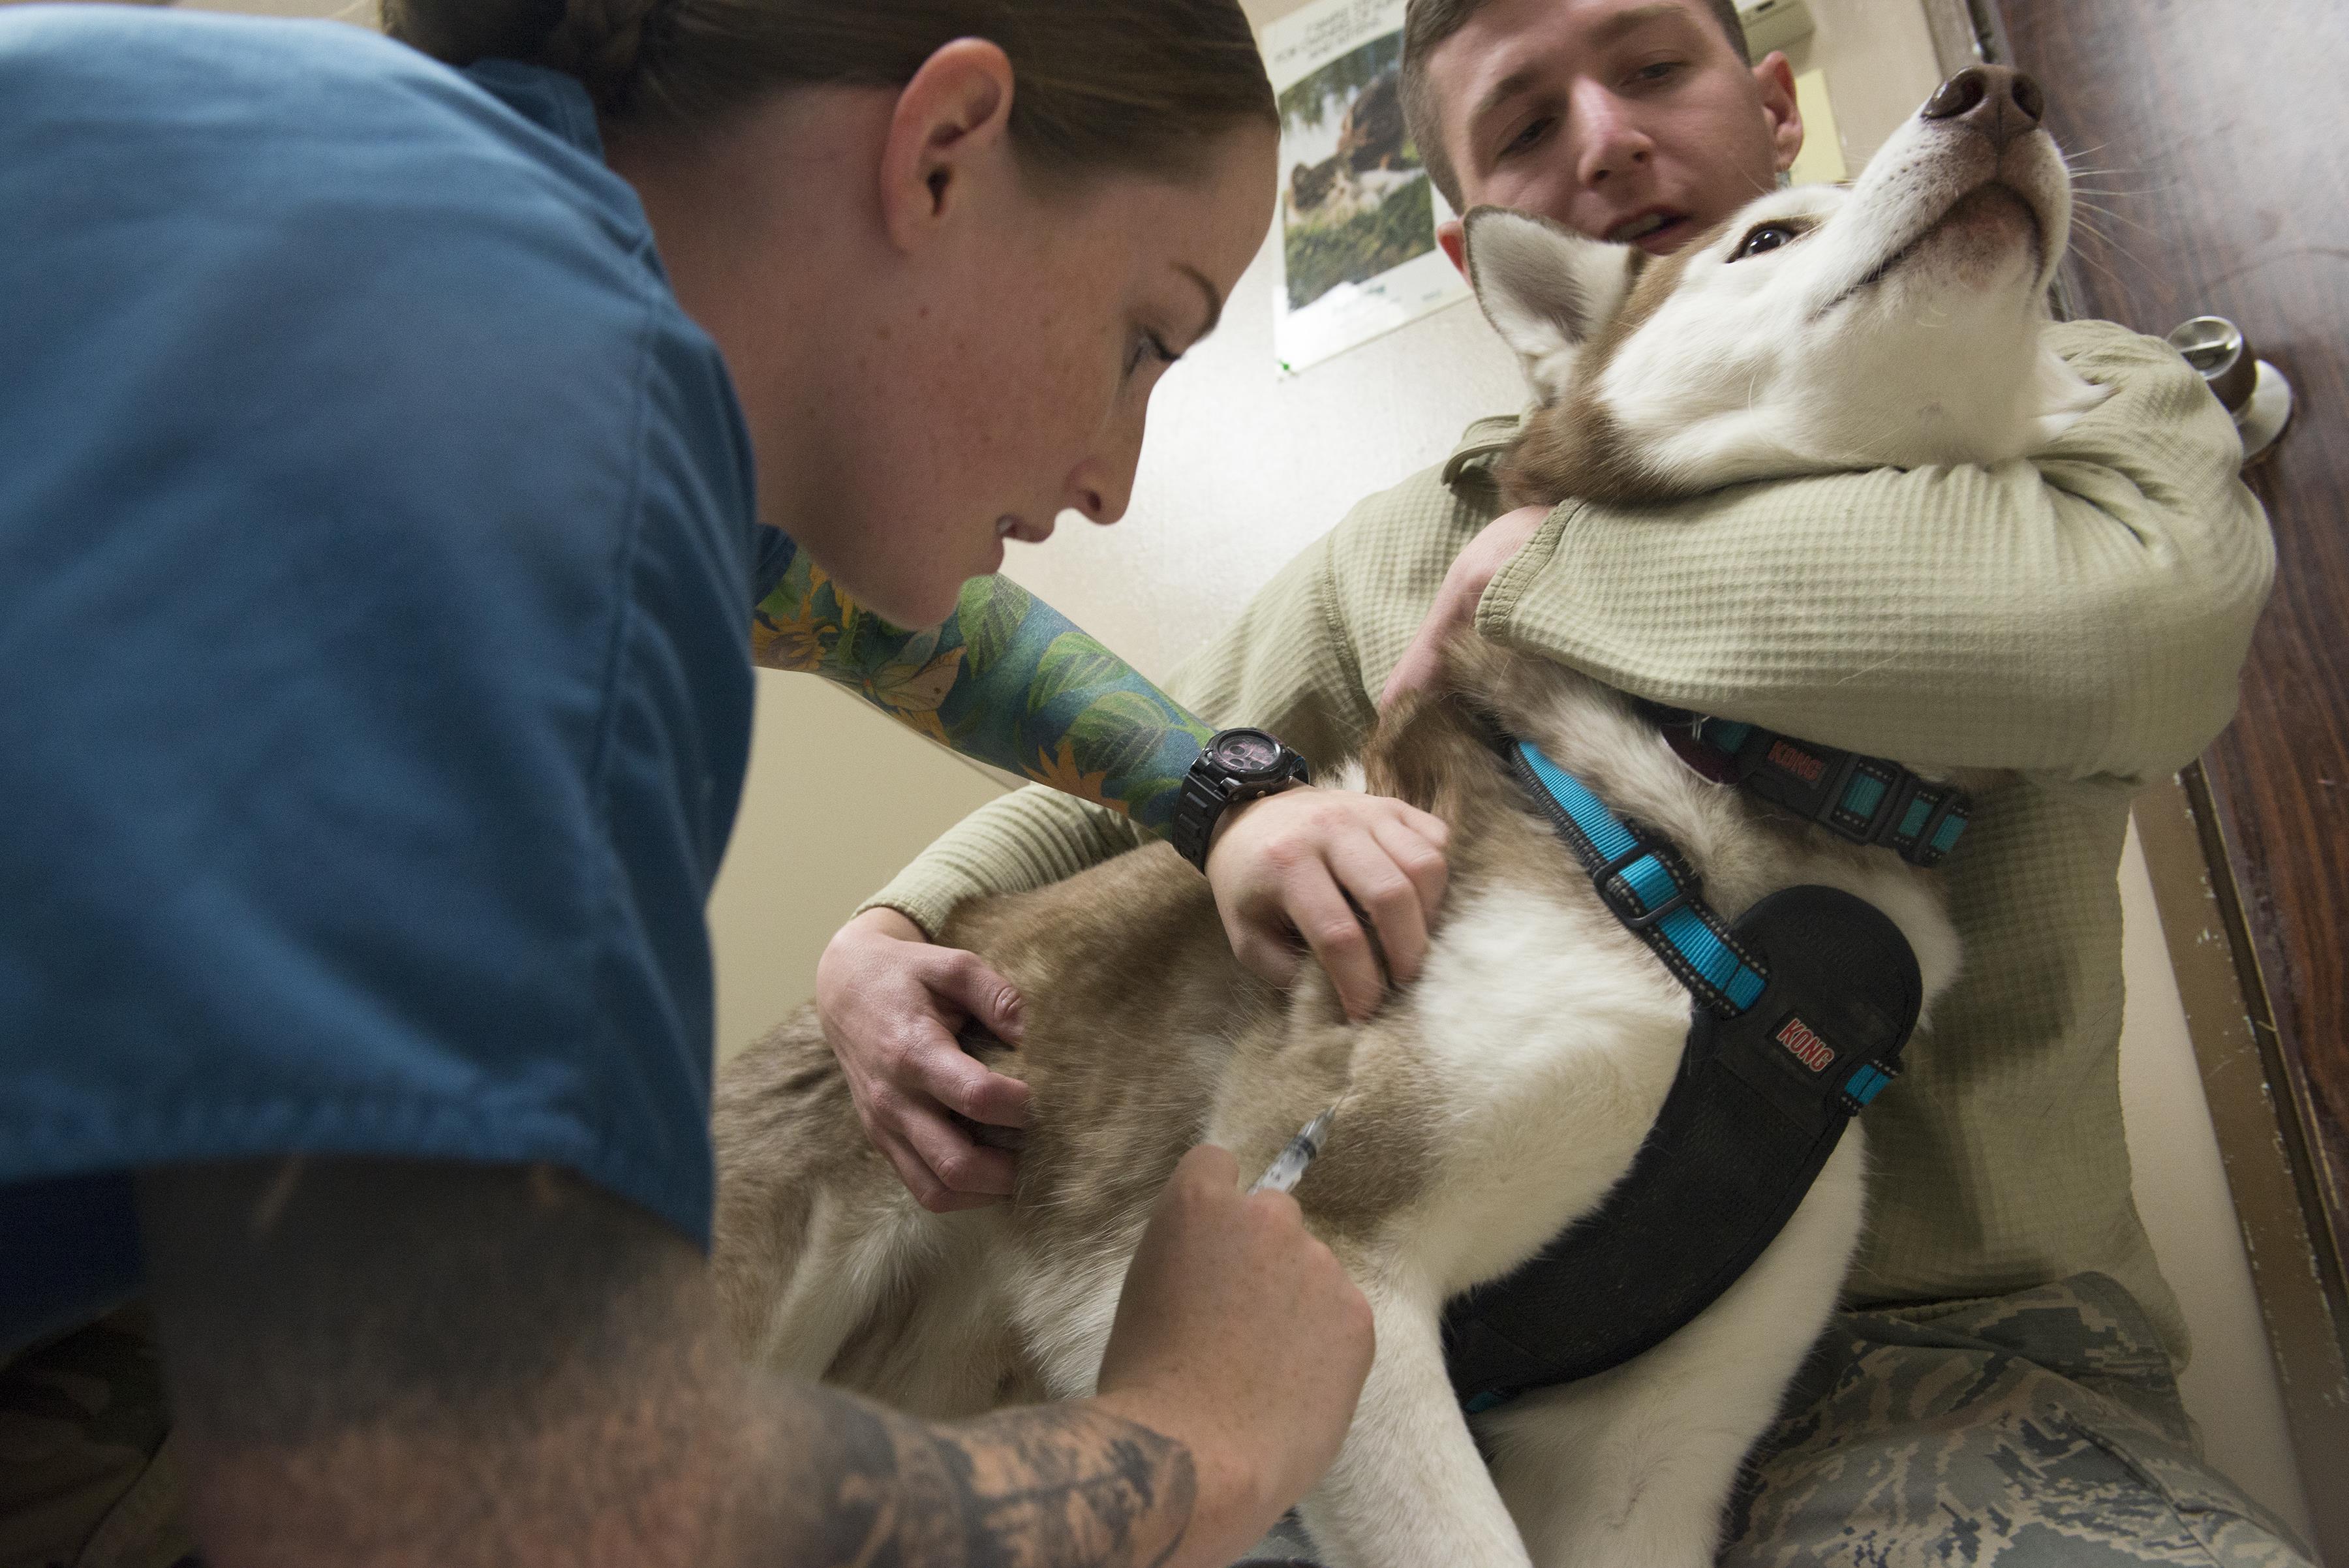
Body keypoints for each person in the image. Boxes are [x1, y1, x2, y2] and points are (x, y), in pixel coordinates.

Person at [827, 0, 2316, 1561]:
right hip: (1491, 1342)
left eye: (1654, 67)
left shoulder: (2069, 399)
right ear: (1486, 262)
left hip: (1952, 1351)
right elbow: (1146, 755)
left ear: (1775, 108)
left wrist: (1540, 575)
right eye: (1527, 125)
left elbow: (2141, 632)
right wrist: (892, 922)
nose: (1605, 139)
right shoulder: (1400, 546)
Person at [0, 3, 1418, 1564]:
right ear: (945, 153)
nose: (1112, 475)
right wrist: (1202, 1435)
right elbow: (509, 1494)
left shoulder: (337, 210)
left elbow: (931, 635)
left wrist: (1226, 792)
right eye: (1145, 334)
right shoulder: (557, 415)